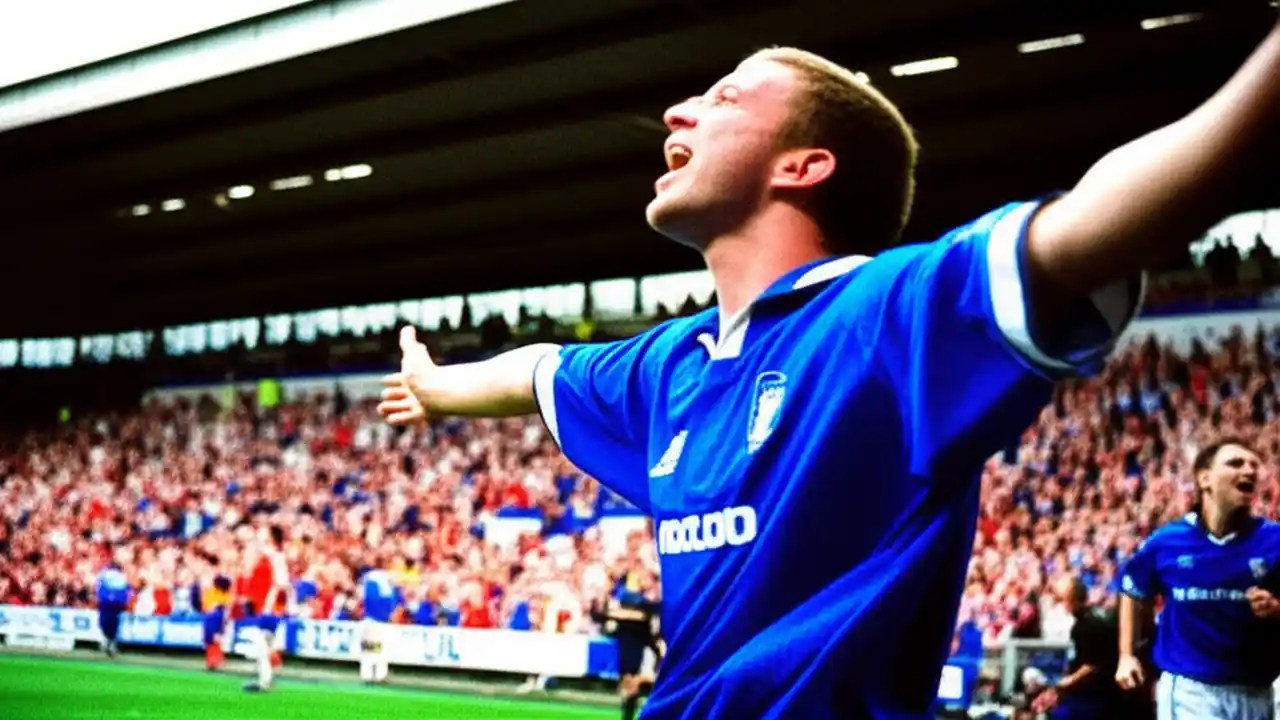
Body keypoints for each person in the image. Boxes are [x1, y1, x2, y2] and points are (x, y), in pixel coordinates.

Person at [379, 13, 1280, 718]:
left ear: (804, 165)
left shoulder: (883, 313)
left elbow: (1094, 227)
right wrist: (434, 388)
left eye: (726, 98)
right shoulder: (667, 366)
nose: (678, 111)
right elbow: (537, 372)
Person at [1116, 438, 1280, 719]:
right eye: (1236, 463)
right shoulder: (1168, 541)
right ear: (1205, 479)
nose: (1250, 470)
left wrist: (1277, 609)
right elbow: (1132, 588)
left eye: (1254, 465)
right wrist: (1126, 654)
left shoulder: (1274, 540)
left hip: (1257, 692)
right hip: (1191, 690)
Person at [1030, 575, 1137, 719]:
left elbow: (1093, 663)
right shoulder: (1097, 617)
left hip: (1094, 696)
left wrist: (1069, 681)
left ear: (1070, 601)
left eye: (1061, 600)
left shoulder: (1085, 626)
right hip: (1106, 694)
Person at [242, 525, 291, 692]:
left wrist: (271, 605)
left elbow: (282, 583)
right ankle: (265, 676)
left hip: (270, 607)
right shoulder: (269, 557)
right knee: (265, 643)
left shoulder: (275, 557)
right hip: (265, 605)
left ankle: (265, 680)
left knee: (262, 643)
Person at [357, 566, 401, 684]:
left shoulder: (371, 583)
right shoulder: (378, 584)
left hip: (373, 621)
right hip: (376, 621)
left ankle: (371, 675)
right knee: (376, 649)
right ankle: (376, 675)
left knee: (373, 649)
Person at [94, 548, 130, 658]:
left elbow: (99, 588)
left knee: (108, 622)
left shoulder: (112, 576)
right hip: (111, 603)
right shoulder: (107, 575)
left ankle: (109, 642)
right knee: (109, 623)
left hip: (110, 603)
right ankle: (109, 642)